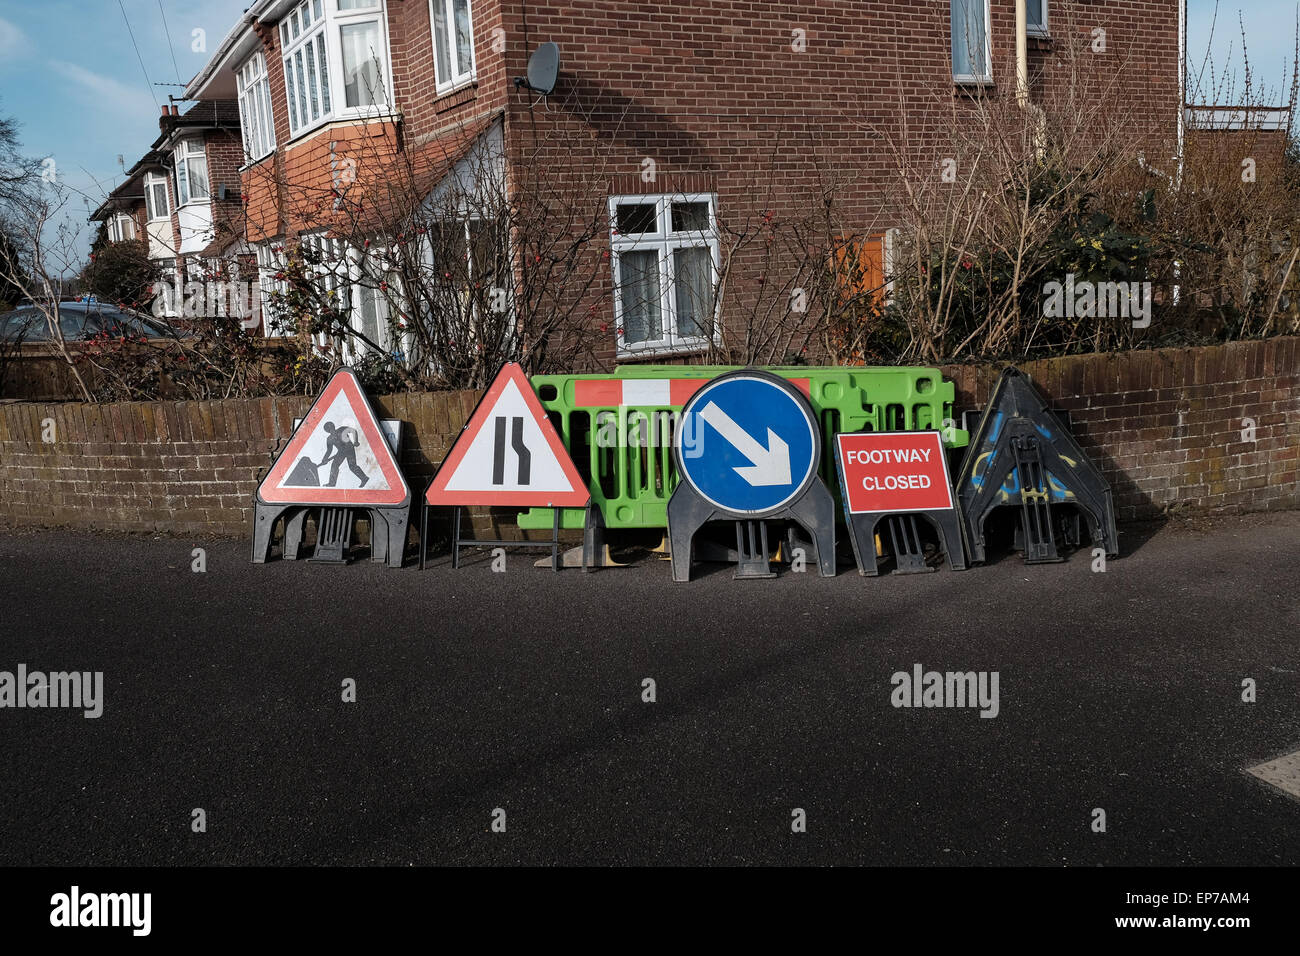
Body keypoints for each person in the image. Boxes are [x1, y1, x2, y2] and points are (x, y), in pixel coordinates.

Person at [320, 421, 368, 488]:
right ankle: (332, 483)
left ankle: (364, 478)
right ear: (327, 431)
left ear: (333, 426)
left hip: (349, 449)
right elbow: (329, 450)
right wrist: (324, 458)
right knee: (334, 465)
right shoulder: (329, 439)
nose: (331, 430)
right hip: (340, 452)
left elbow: (353, 431)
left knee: (352, 466)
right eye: (329, 429)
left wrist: (356, 441)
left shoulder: (342, 429)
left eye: (331, 428)